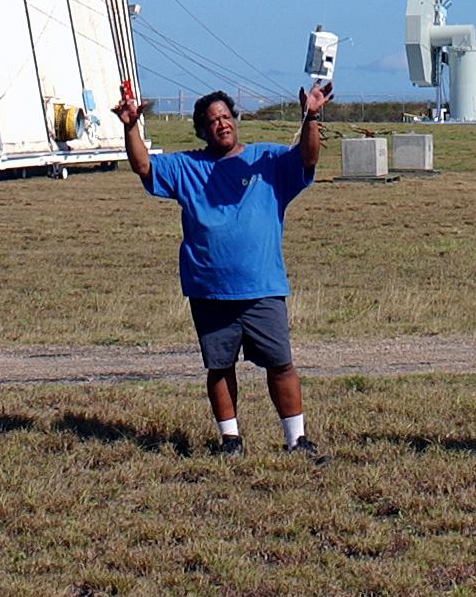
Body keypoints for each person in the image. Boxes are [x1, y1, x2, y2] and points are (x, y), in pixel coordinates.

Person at [114, 80, 332, 457]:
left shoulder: (268, 161)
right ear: (202, 130)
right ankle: (230, 441)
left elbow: (308, 158)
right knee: (219, 366)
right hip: (209, 288)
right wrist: (131, 126)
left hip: (262, 287)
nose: (222, 124)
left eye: (227, 116)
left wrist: (311, 116)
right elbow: (143, 165)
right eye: (213, 120)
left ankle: (296, 439)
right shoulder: (187, 167)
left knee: (280, 363)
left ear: (236, 120)